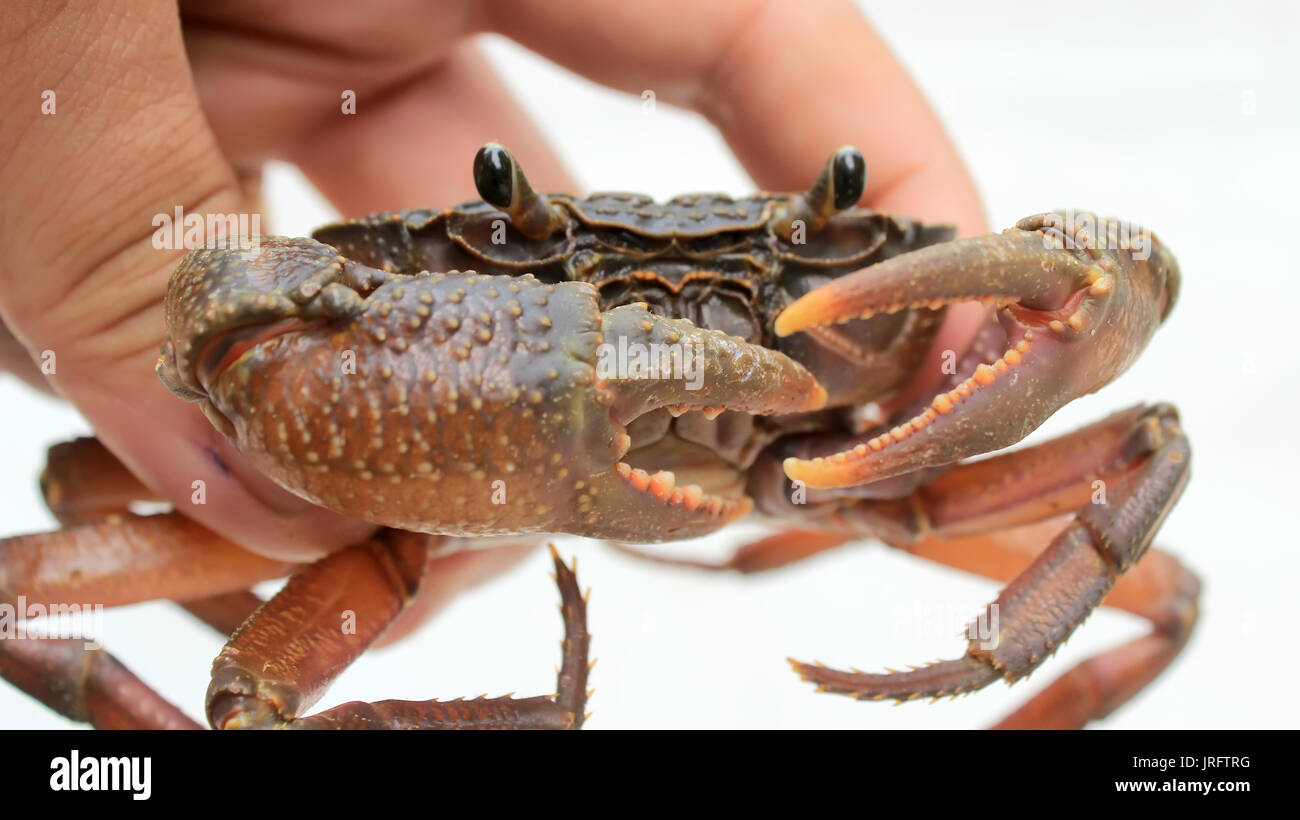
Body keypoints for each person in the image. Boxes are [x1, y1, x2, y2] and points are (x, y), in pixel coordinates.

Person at [0, 0, 986, 639]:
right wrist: (107, 265)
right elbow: (229, 308)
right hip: (429, 462)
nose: (683, 333)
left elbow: (1106, 280)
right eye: (537, 271)